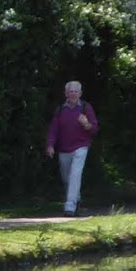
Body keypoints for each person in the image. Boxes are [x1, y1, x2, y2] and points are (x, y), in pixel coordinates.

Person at [44, 81, 99, 216]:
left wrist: (86, 124)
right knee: (66, 178)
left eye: (76, 91)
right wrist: (50, 145)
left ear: (80, 94)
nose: (73, 94)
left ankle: (70, 207)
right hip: (64, 149)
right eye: (70, 91)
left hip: (81, 147)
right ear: (66, 94)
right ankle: (77, 198)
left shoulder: (86, 107)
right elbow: (53, 130)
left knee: (75, 175)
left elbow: (94, 129)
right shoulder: (61, 109)